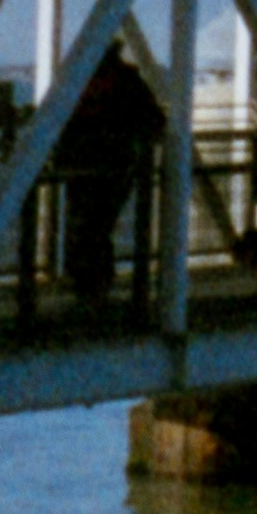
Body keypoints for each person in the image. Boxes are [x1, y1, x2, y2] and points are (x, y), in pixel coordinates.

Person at [59, 30, 167, 315]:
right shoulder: (125, 82)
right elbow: (155, 121)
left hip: (92, 166)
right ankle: (95, 286)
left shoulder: (81, 83)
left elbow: (62, 124)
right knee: (94, 227)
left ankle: (91, 286)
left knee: (87, 226)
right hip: (111, 166)